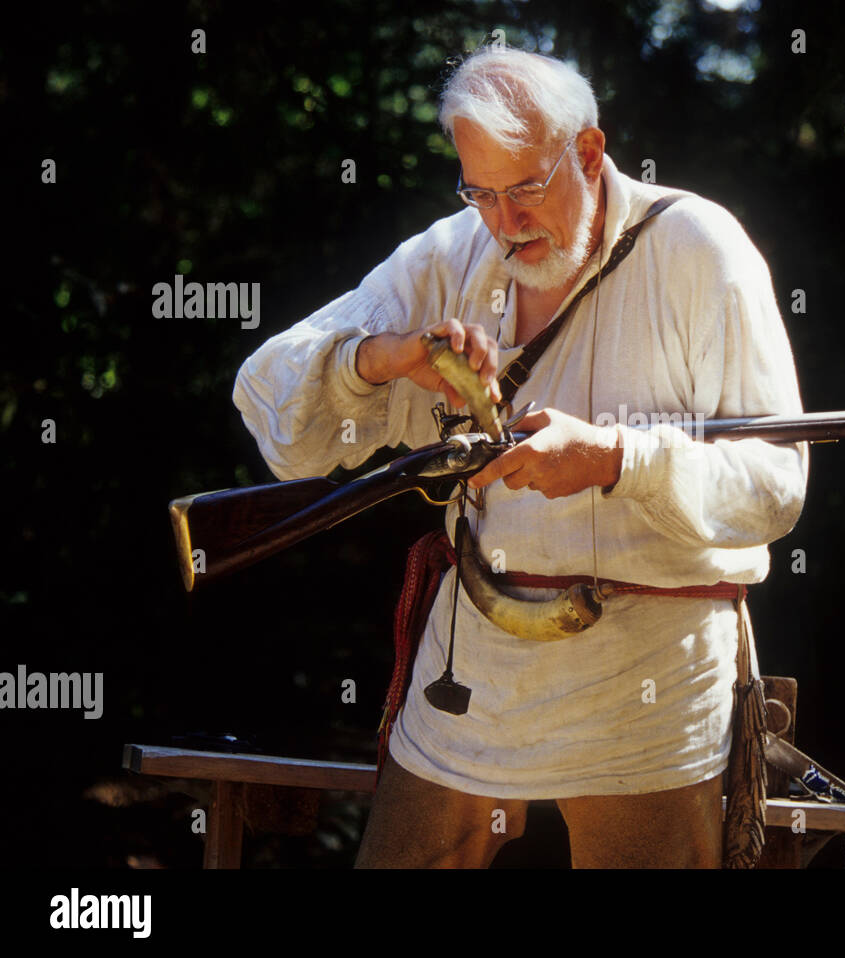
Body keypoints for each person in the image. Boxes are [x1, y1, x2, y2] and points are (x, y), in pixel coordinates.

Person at [233, 46, 808, 868]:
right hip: (476, 659)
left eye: (527, 188)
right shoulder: (454, 252)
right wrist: (387, 357)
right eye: (482, 192)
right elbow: (272, 405)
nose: (505, 221)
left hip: (645, 668)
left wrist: (616, 460)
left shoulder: (699, 248)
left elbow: (775, 485)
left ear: (587, 153)